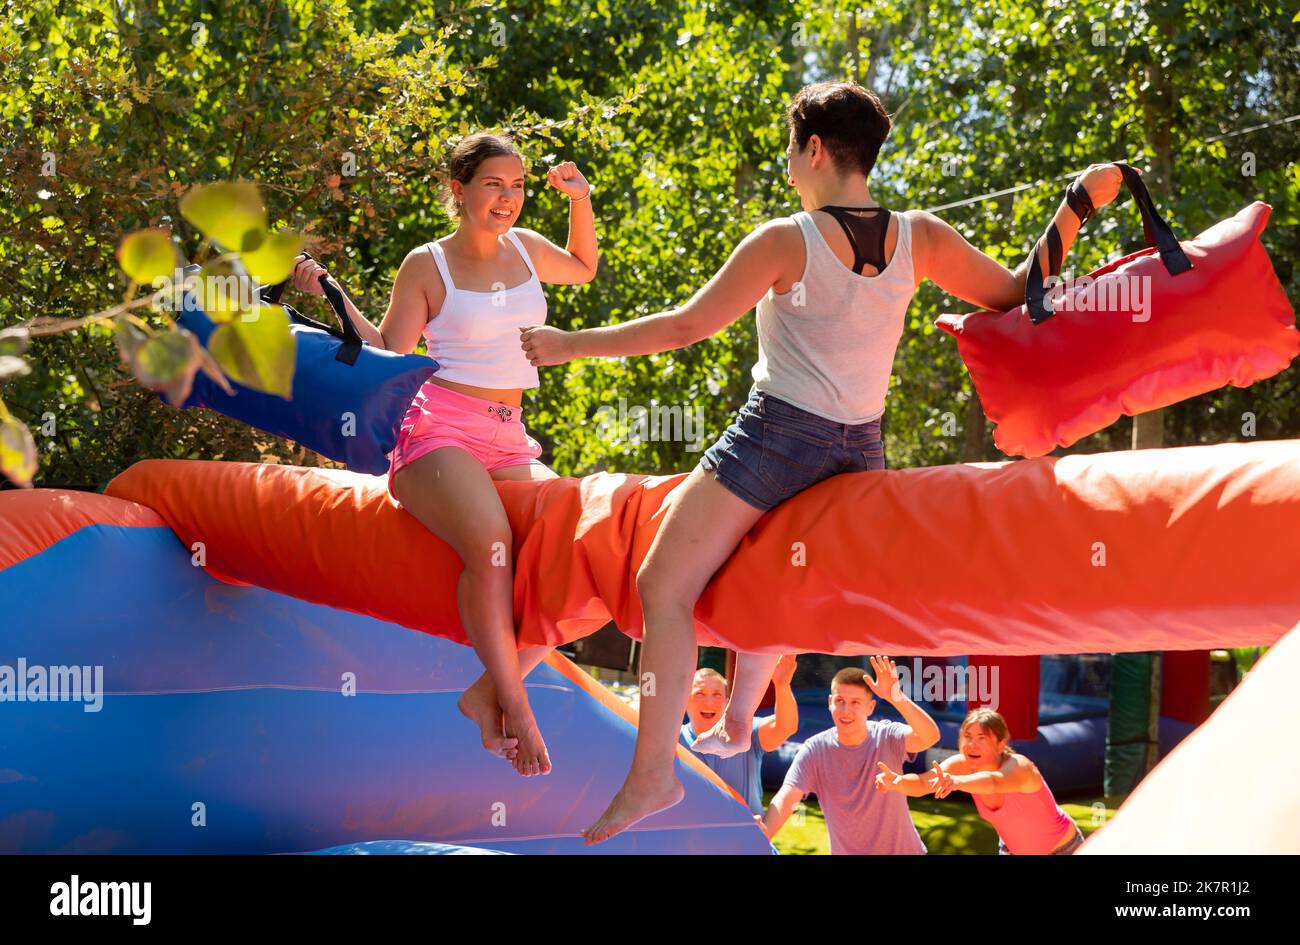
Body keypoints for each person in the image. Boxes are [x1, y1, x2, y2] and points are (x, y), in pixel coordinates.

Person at [519, 80, 1126, 840]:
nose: (787, 167)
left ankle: (652, 773)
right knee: (780, 568)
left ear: (813, 148)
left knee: (661, 583)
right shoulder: (922, 236)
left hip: (780, 435)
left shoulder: (788, 239)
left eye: (789, 150)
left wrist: (573, 344)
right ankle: (738, 718)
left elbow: (685, 327)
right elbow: (1016, 292)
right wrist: (1075, 203)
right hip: (861, 449)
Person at [290, 132, 598, 777]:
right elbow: (391, 354)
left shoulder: (527, 248)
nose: (508, 198)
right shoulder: (426, 264)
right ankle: (515, 701)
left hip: (508, 432)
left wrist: (580, 199)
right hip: (438, 428)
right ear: (458, 190)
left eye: (516, 186)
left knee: (575, 545)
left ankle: (483, 693)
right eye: (494, 184)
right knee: (492, 545)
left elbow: (583, 266)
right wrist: (332, 296)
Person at [757, 659, 939, 854]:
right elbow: (787, 798)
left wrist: (896, 697)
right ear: (830, 702)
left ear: (870, 707)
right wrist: (762, 834)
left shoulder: (887, 736)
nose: (846, 710)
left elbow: (930, 737)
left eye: (855, 703)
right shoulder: (815, 750)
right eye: (840, 701)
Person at [874, 707, 1085, 854]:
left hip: (1064, 850)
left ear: (1001, 744)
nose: (972, 745)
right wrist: (897, 782)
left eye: (982, 738)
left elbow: (994, 782)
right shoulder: (960, 764)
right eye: (967, 736)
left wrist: (956, 781)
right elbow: (922, 784)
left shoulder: (1020, 767)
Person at [681, 656, 799, 814]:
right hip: (691, 835)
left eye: (717, 695)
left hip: (746, 834)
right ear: (684, 700)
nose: (709, 702)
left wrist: (782, 684)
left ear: (727, 702)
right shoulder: (673, 740)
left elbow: (785, 726)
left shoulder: (745, 729)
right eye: (699, 694)